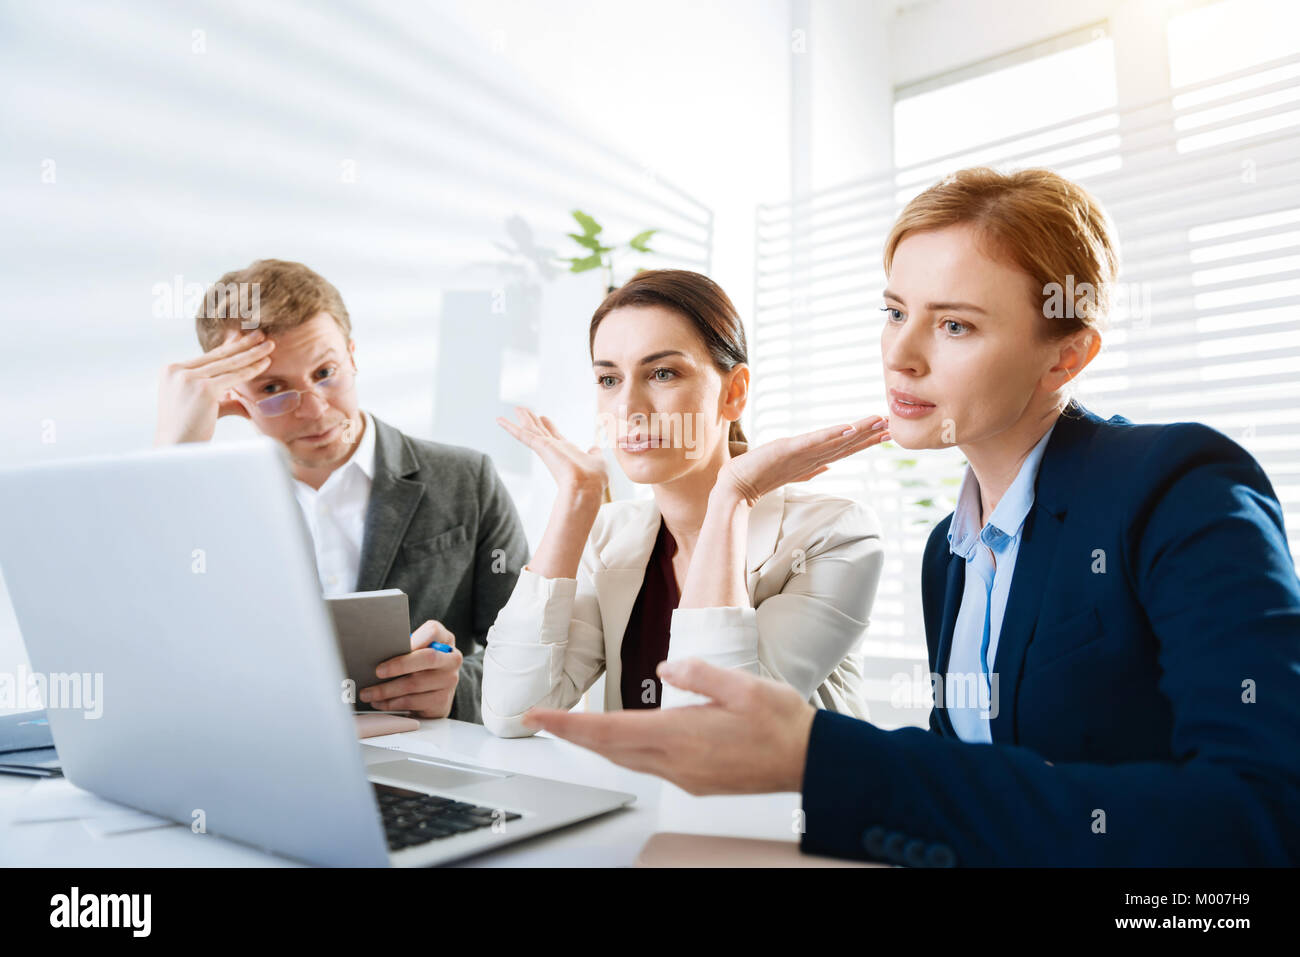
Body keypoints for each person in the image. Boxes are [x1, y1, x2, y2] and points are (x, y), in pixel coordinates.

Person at [521, 168, 1300, 866]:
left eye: (954, 324)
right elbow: (971, 787)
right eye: (895, 311)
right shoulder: (948, 551)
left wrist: (822, 758)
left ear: (1065, 356)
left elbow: (1260, 818)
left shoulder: (1178, 487)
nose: (901, 355)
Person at [481, 269, 890, 737]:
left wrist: (732, 499)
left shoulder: (834, 534)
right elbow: (511, 712)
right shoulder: (610, 538)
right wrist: (577, 499)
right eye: (609, 379)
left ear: (733, 392)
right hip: (648, 810)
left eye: (662, 373)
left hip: (791, 810)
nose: (629, 408)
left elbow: (715, 731)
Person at [153, 259, 529, 722]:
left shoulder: (466, 480)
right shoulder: (202, 502)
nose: (313, 410)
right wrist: (171, 457)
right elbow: (152, 651)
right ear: (233, 396)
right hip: (264, 761)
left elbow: (529, 661)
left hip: (427, 761)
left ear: (352, 355)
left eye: (325, 372)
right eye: (273, 387)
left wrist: (456, 693)